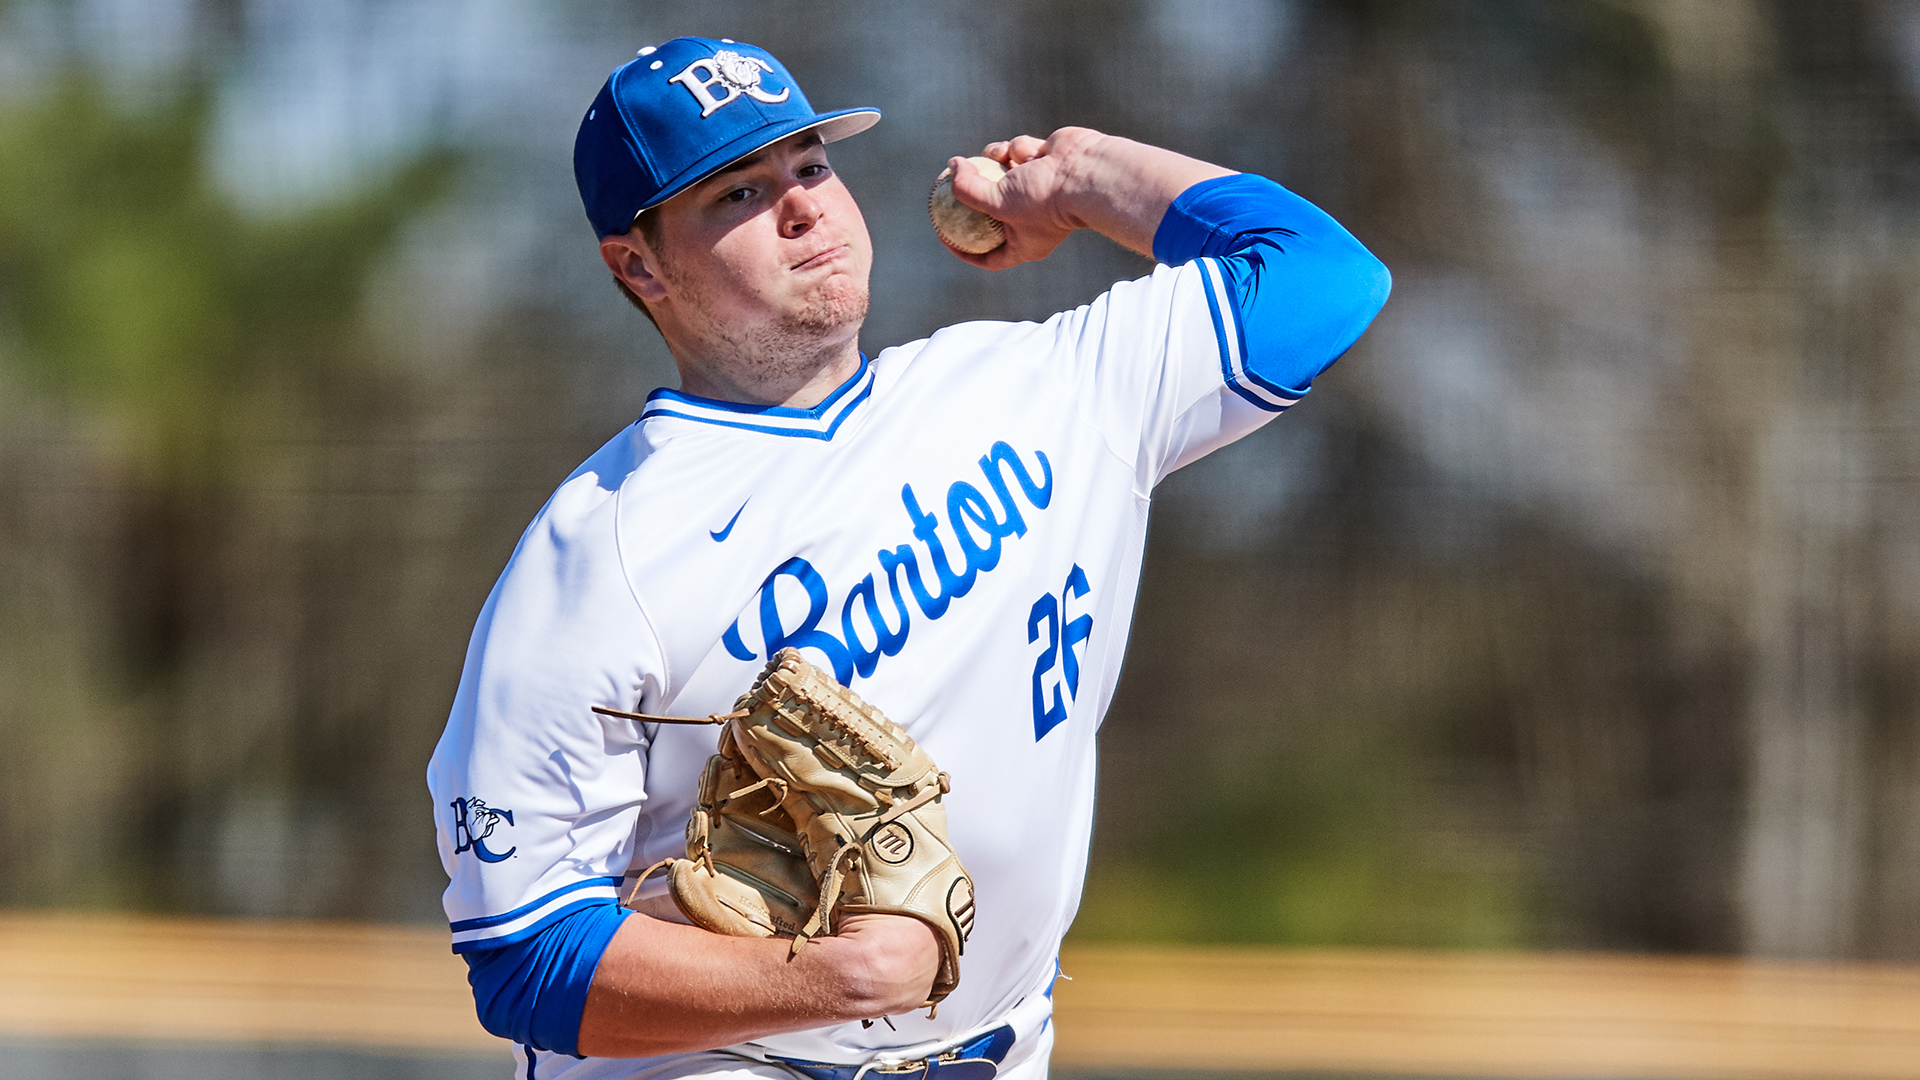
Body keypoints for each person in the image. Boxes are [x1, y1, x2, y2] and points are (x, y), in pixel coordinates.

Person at [427, 35, 1390, 1080]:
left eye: (810, 166)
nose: (803, 207)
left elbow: (1322, 275)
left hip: (1002, 1047)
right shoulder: (596, 552)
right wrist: (830, 979)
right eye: (738, 192)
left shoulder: (1046, 390)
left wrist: (1083, 177)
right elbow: (522, 960)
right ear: (638, 264)